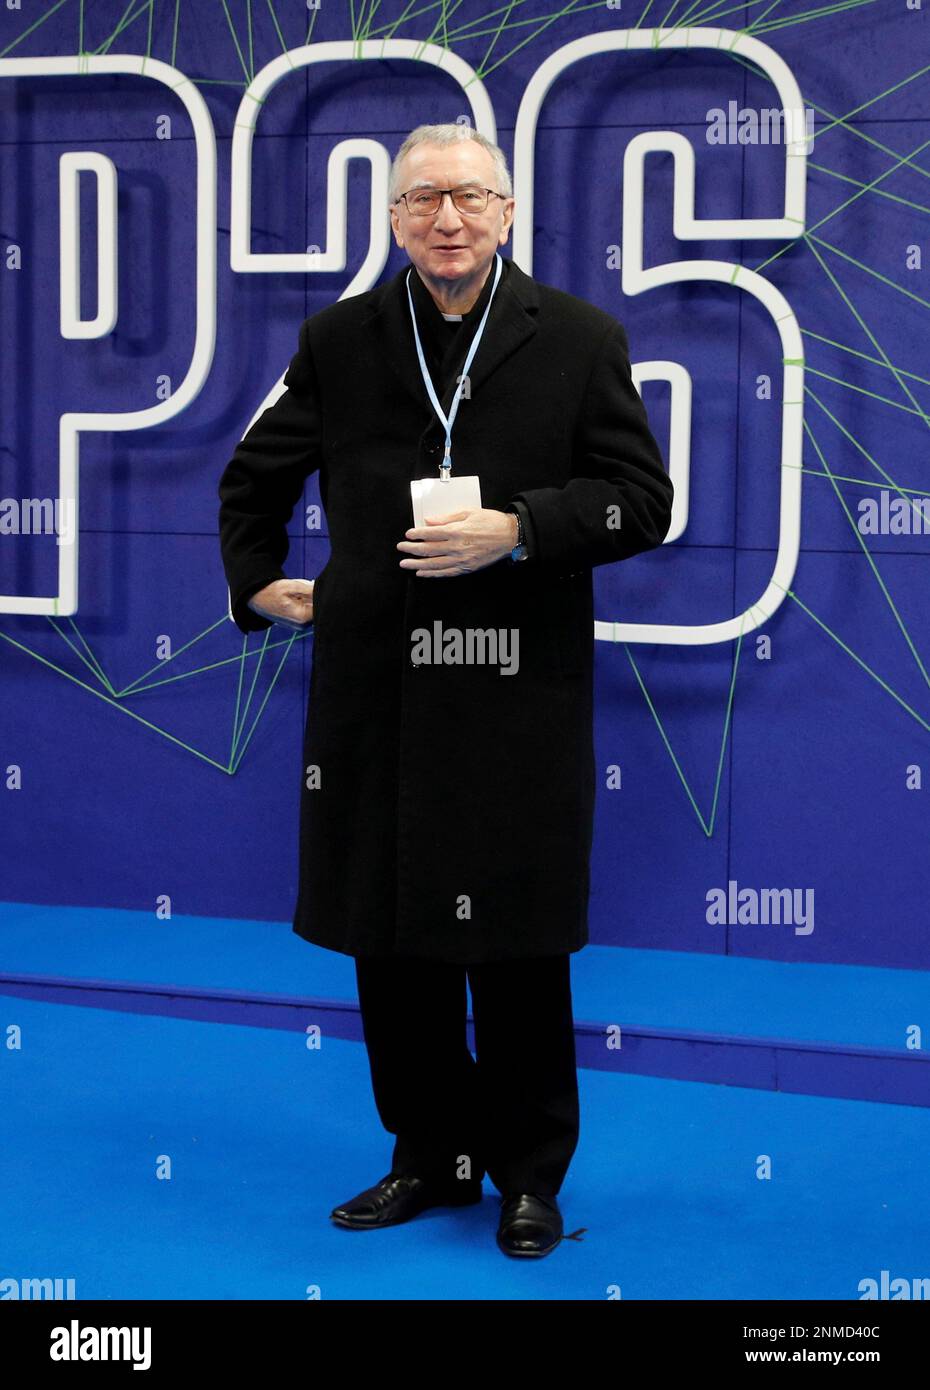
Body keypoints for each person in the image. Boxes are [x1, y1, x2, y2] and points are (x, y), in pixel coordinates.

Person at [217, 123, 673, 1259]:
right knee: (394, 941)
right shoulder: (341, 339)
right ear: (394, 221)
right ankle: (429, 1157)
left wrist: (519, 530)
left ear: (507, 211)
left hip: (518, 694)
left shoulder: (578, 337)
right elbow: (253, 474)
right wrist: (253, 580)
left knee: (517, 946)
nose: (448, 221)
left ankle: (528, 1178)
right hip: (378, 699)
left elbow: (641, 498)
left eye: (469, 197)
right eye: (423, 202)